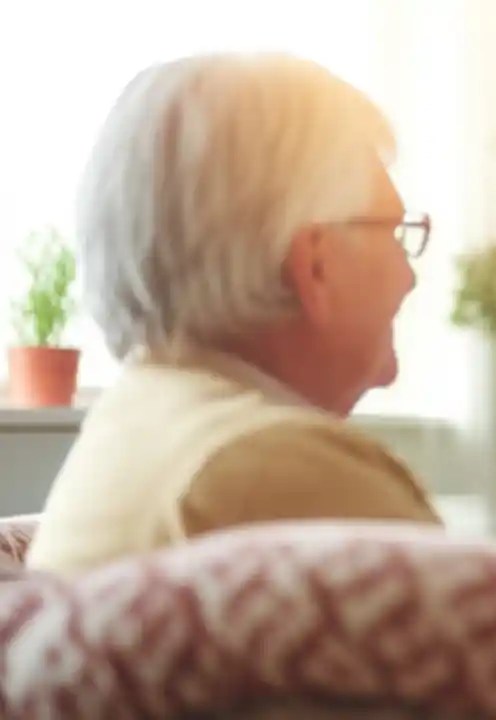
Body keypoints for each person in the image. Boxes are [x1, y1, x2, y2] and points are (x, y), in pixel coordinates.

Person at [26, 52, 442, 574]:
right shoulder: (279, 468)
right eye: (395, 231)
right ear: (315, 265)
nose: (409, 275)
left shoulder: (141, 424)